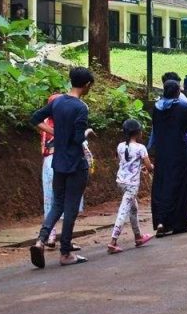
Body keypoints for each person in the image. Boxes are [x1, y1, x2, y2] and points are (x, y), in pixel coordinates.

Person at [28, 66, 95, 268]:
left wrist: (56, 133)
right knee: (71, 207)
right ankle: (65, 252)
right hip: (76, 163)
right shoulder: (81, 108)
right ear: (86, 85)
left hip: (58, 162)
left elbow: (35, 119)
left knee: (57, 203)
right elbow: (77, 138)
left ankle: (40, 240)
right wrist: (86, 133)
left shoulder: (57, 102)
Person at [150, 80, 187, 237]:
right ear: (177, 91)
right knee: (180, 185)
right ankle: (179, 223)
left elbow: (155, 128)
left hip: (162, 151)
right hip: (179, 150)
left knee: (162, 184)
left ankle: (161, 221)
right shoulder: (183, 106)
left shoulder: (156, 108)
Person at [107, 119, 155, 254]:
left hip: (121, 182)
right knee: (124, 211)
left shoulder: (120, 146)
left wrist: (139, 167)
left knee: (133, 209)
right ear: (138, 132)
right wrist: (151, 168)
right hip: (132, 185)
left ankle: (138, 237)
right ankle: (113, 241)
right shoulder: (141, 148)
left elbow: (124, 162)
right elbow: (149, 166)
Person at [162, 73, 187, 228]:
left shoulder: (160, 104)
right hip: (184, 145)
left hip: (167, 148)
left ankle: (170, 218)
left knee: (170, 182)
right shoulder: (184, 103)